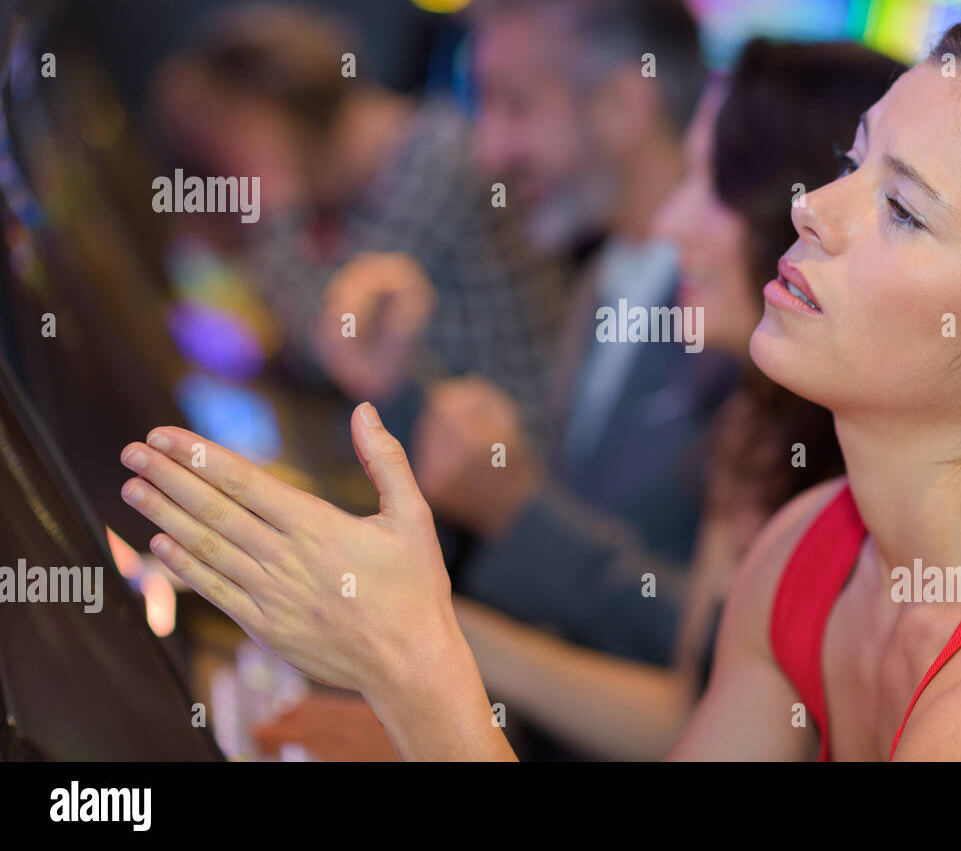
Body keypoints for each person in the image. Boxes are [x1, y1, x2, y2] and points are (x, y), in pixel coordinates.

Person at [119, 11, 961, 761]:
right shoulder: (807, 545)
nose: (806, 210)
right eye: (850, 164)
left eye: (898, 208)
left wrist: (418, 665)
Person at [253, 39, 900, 761]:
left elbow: (666, 678)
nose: (670, 223)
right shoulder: (751, 414)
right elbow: (689, 705)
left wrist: (435, 648)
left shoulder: (845, 477)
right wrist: (427, 639)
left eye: (711, 183)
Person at [409, 0, 727, 668]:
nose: (490, 151)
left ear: (622, 103)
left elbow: (724, 647)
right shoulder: (601, 277)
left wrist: (520, 515)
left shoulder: (747, 319)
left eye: (515, 105)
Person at [151, 2, 565, 444]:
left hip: (512, 464)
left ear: (267, 123)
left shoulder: (435, 161)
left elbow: (331, 345)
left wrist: (277, 196)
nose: (233, 181)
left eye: (232, 154)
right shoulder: (372, 180)